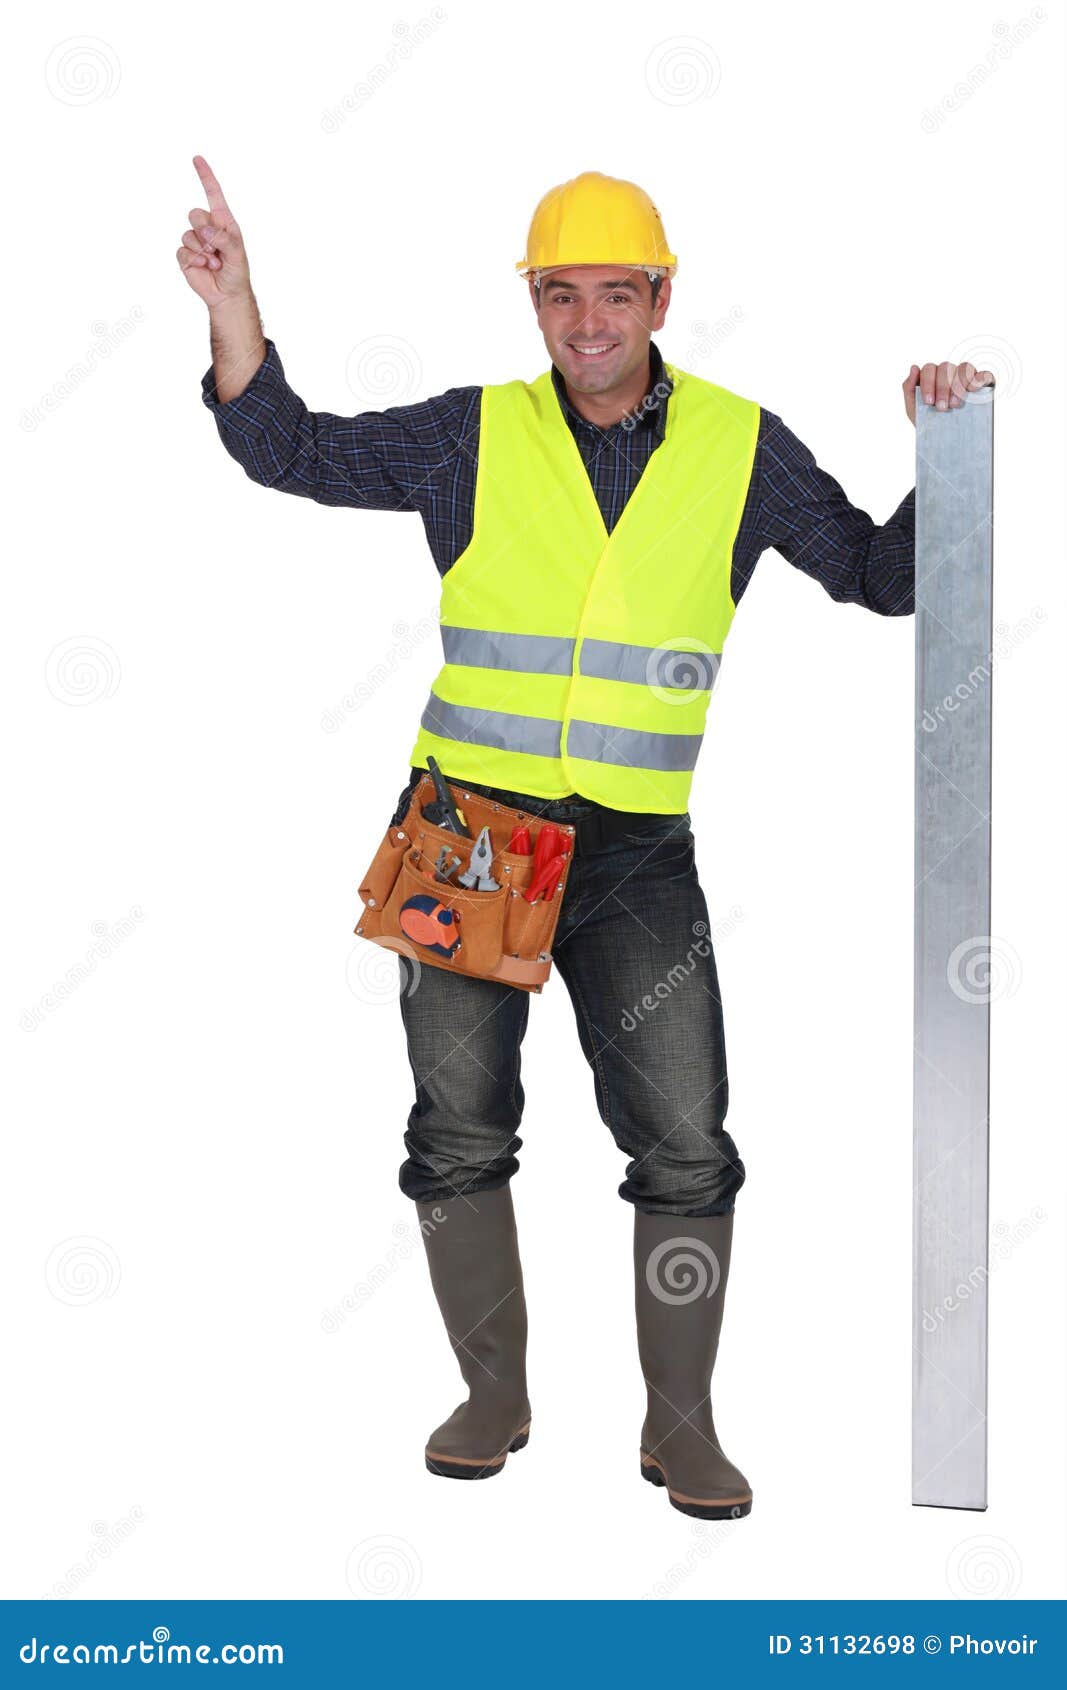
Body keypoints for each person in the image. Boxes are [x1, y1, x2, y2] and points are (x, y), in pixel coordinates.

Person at [180, 160, 994, 1520]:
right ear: (537, 306)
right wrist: (234, 302)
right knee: (457, 1132)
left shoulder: (742, 446)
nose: (590, 322)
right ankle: (492, 1398)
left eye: (618, 294)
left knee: (685, 1139)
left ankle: (681, 1425)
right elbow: (290, 450)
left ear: (662, 299)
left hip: (634, 851)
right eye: (563, 295)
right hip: (472, 836)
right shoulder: (472, 435)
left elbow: (878, 575)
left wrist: (945, 457)